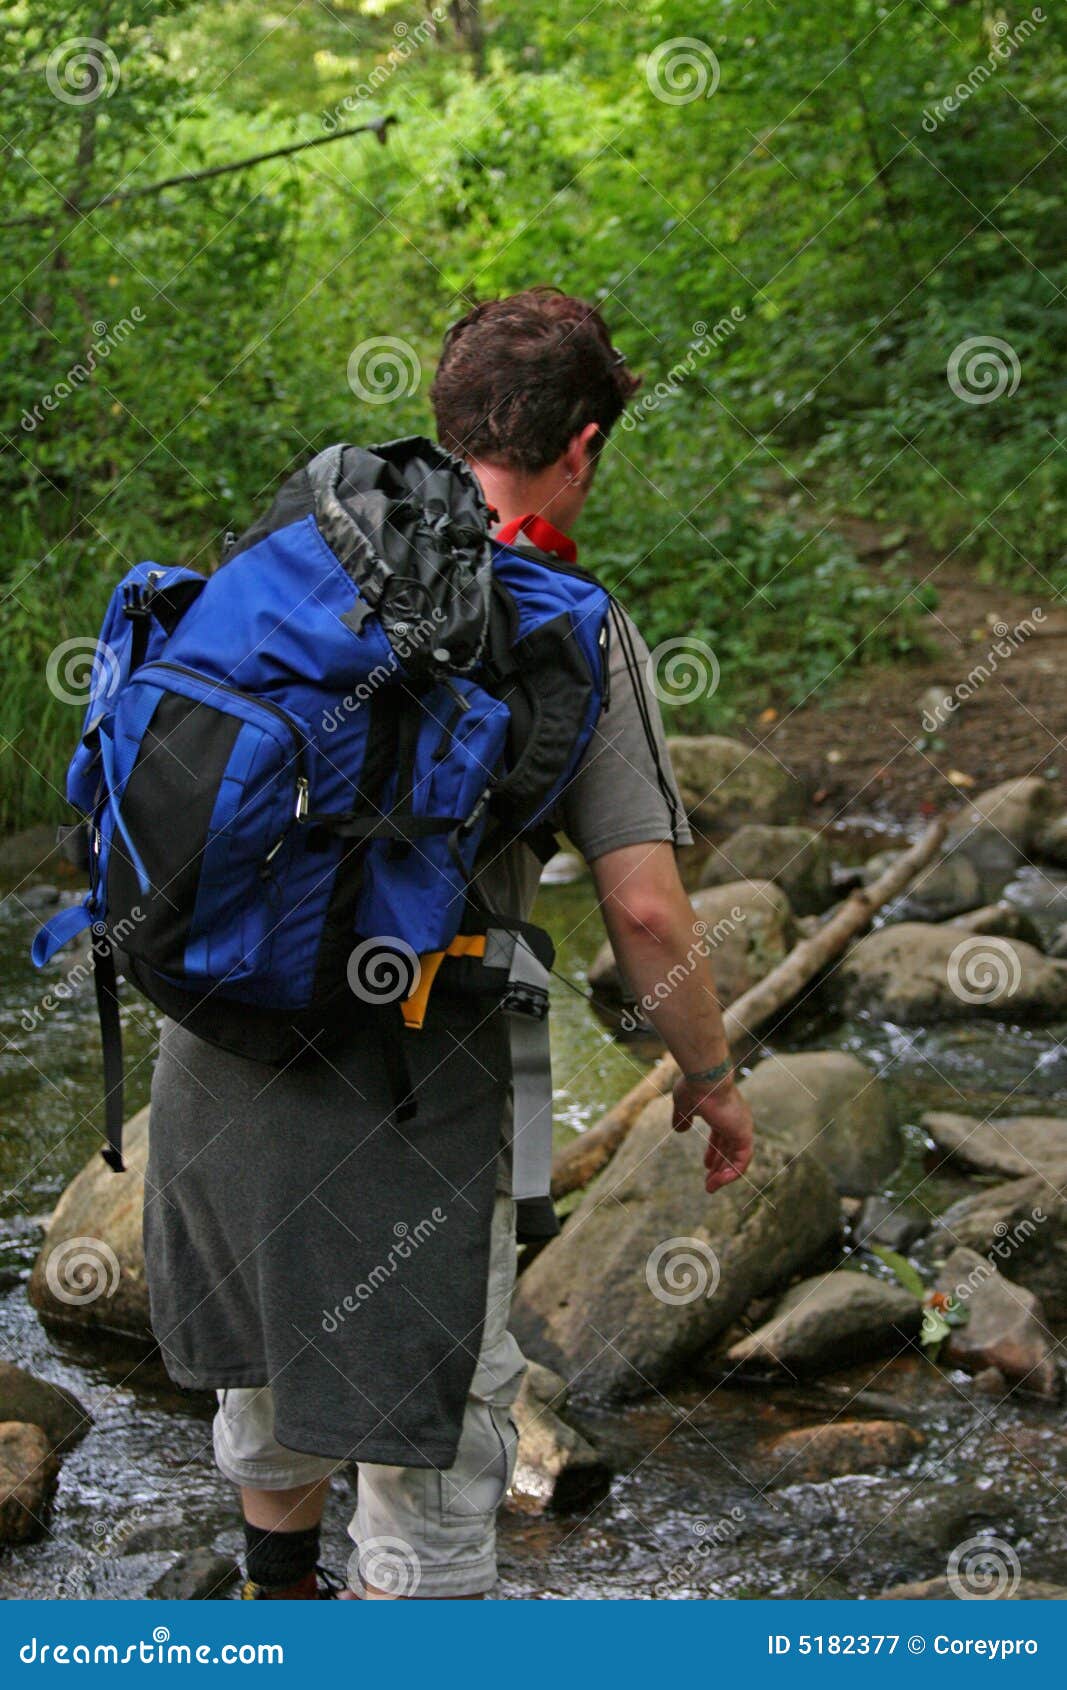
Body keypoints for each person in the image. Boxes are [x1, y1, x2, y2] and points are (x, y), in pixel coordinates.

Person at [143, 286, 755, 1601]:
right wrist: (709, 1079)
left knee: (268, 1383)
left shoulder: (293, 549)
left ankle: (274, 1604)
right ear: (581, 446)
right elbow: (646, 911)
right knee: (430, 1456)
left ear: (443, 413)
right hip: (408, 1093)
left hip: (214, 1048)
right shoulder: (572, 624)